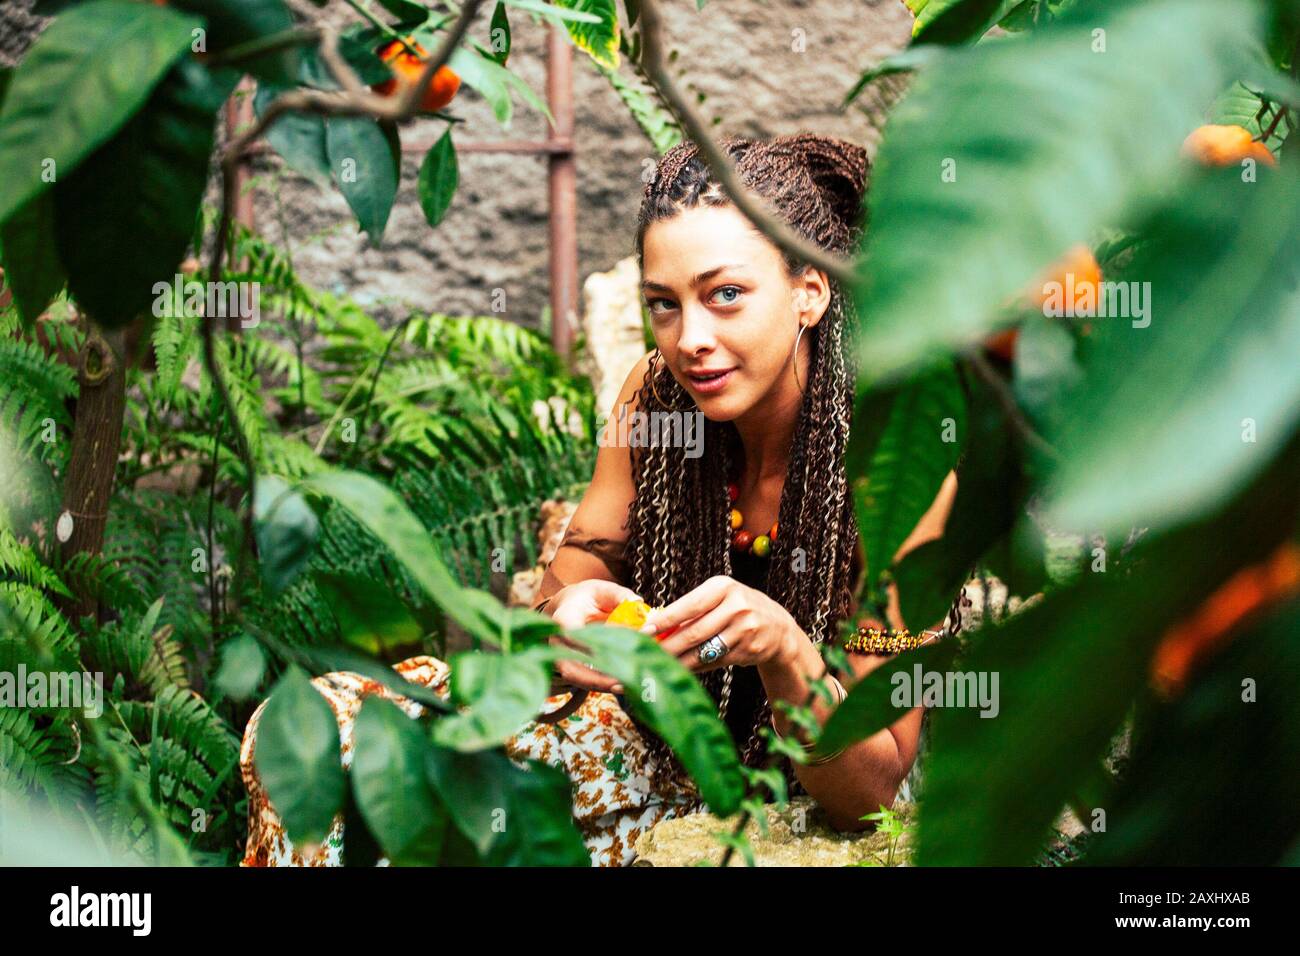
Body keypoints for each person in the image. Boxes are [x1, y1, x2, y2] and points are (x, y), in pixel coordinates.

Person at [239, 133, 960, 868]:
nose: (691, 340)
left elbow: (874, 785)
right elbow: (573, 574)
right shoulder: (655, 398)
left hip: (826, 785)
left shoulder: (898, 457)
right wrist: (561, 621)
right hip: (660, 741)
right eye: (664, 305)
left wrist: (782, 649)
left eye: (726, 295)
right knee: (317, 734)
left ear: (810, 291)